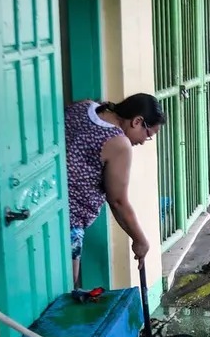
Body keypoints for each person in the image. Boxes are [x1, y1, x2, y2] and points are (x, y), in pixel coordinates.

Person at [65, 93, 165, 287]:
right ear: (137, 121)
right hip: (70, 222)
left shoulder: (85, 106)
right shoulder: (119, 143)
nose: (144, 141)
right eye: (148, 135)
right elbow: (118, 201)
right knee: (65, 291)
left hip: (47, 206)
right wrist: (140, 240)